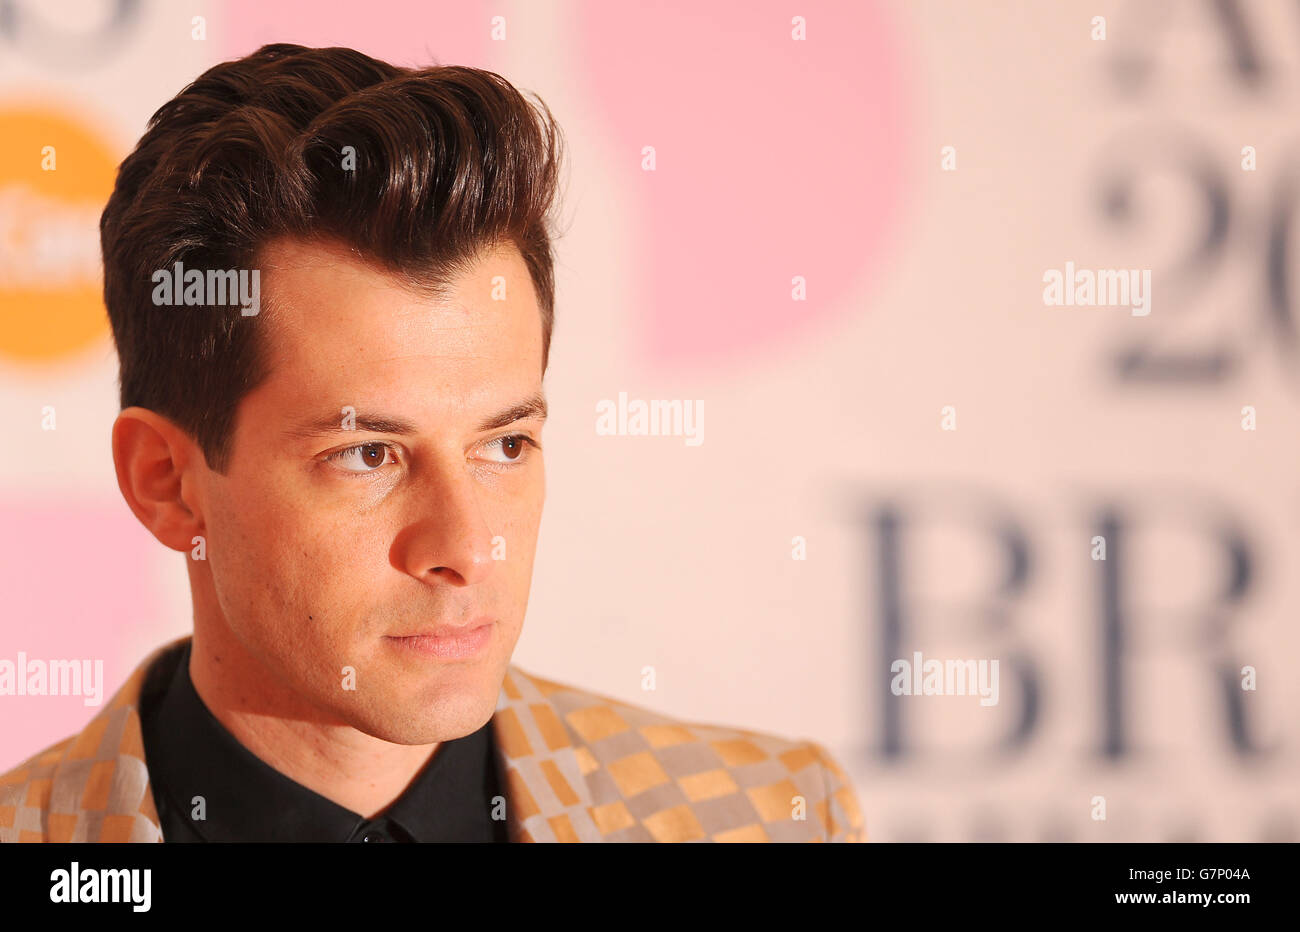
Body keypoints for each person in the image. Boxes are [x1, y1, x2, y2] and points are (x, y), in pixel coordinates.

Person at [0, 44, 864, 843]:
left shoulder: (767, 817)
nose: (466, 550)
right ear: (165, 482)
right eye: (368, 454)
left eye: (506, 444)